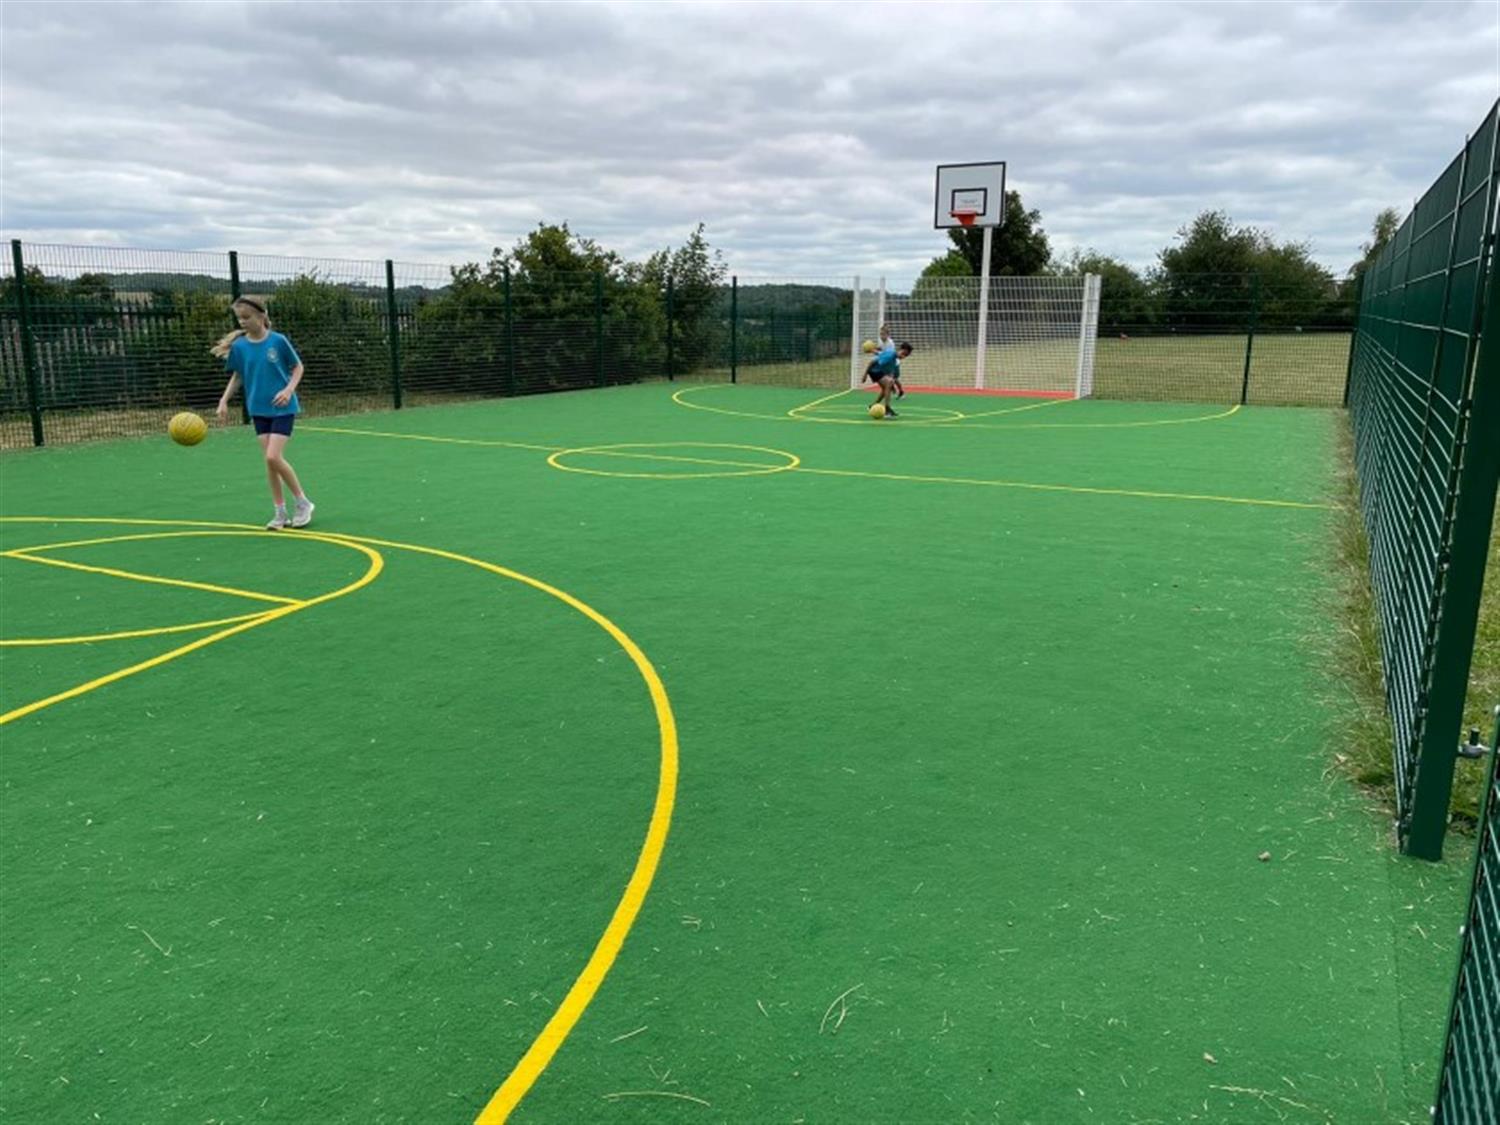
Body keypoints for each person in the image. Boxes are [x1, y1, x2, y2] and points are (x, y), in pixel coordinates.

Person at [211, 296, 315, 530]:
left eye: (247, 317)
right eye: (239, 318)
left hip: (282, 408)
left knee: (272, 457)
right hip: (258, 410)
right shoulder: (240, 347)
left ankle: (303, 502)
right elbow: (238, 375)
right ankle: (280, 513)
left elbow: (298, 367)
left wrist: (289, 390)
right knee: (270, 463)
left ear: (262, 316)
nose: (242, 322)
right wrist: (224, 400)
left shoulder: (278, 341)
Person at [866, 340, 913, 418]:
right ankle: (887, 409)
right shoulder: (890, 356)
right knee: (888, 383)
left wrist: (872, 350)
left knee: (886, 388)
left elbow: (881, 354)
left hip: (879, 372)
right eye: (904, 354)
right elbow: (873, 362)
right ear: (901, 350)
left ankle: (873, 406)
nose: (904, 357)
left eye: (906, 356)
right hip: (874, 371)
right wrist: (865, 375)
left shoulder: (894, 360)